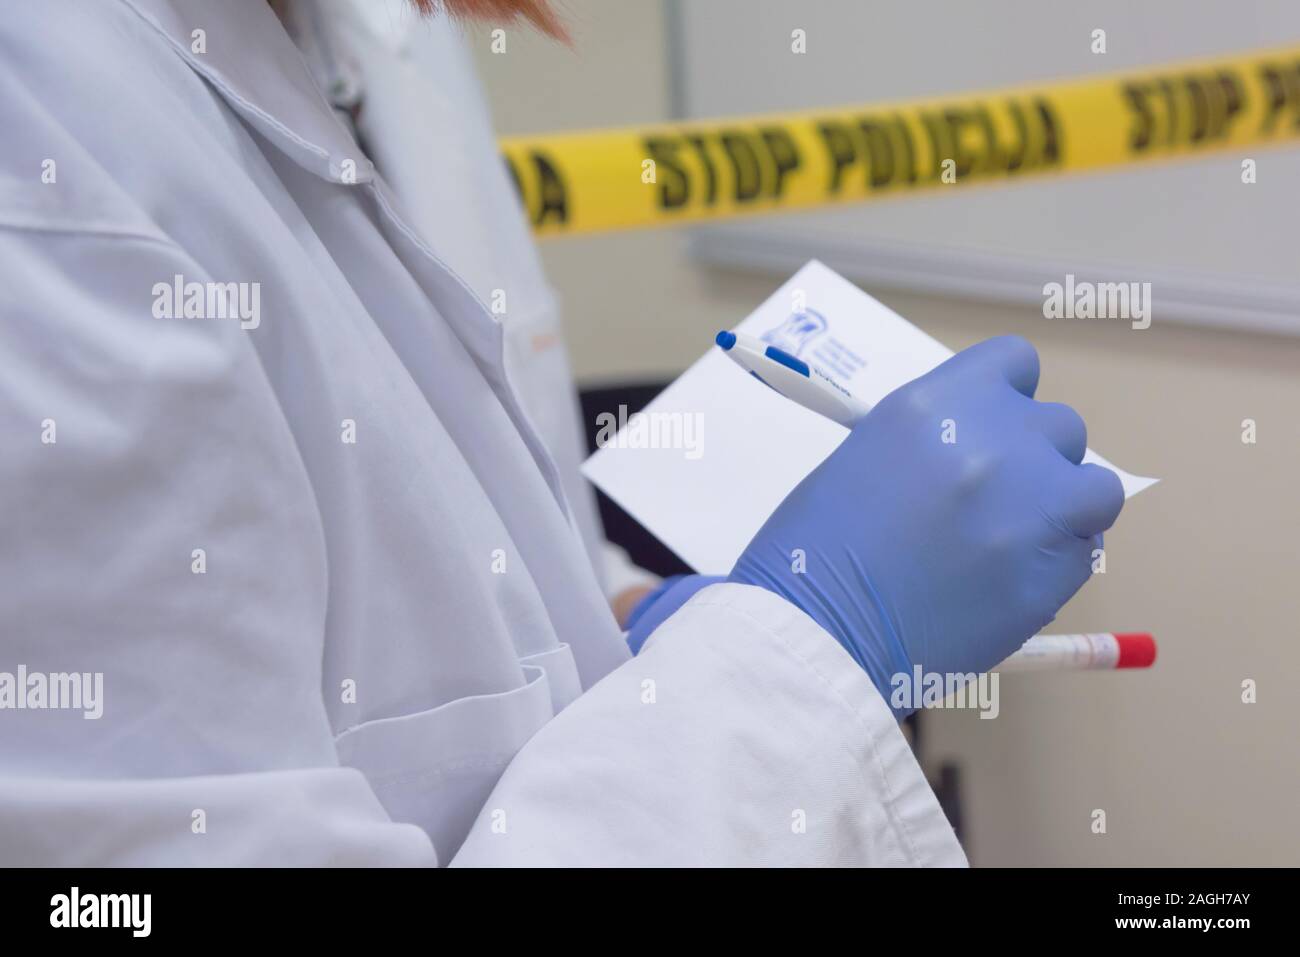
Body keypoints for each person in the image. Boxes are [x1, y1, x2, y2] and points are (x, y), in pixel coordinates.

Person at [0, 0, 1122, 866]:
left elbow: (426, 510)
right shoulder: (42, 122)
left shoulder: (373, 42)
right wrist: (798, 648)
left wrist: (624, 611)